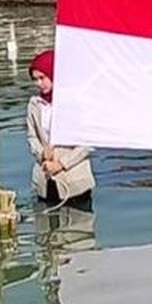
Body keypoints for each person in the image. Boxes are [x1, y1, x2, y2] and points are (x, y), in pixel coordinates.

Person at [27, 49, 95, 205]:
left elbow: (87, 143)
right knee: (44, 226)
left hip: (74, 181)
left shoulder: (77, 102)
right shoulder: (34, 104)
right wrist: (42, 154)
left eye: (42, 78)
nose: (39, 83)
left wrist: (61, 164)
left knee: (78, 226)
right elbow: (32, 136)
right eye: (35, 79)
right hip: (45, 181)